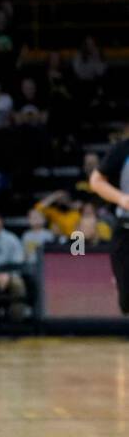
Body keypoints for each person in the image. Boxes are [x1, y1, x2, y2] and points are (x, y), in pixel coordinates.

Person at [89, 130, 129, 313]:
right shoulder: (122, 149)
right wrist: (121, 198)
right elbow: (96, 181)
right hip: (125, 228)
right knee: (126, 299)